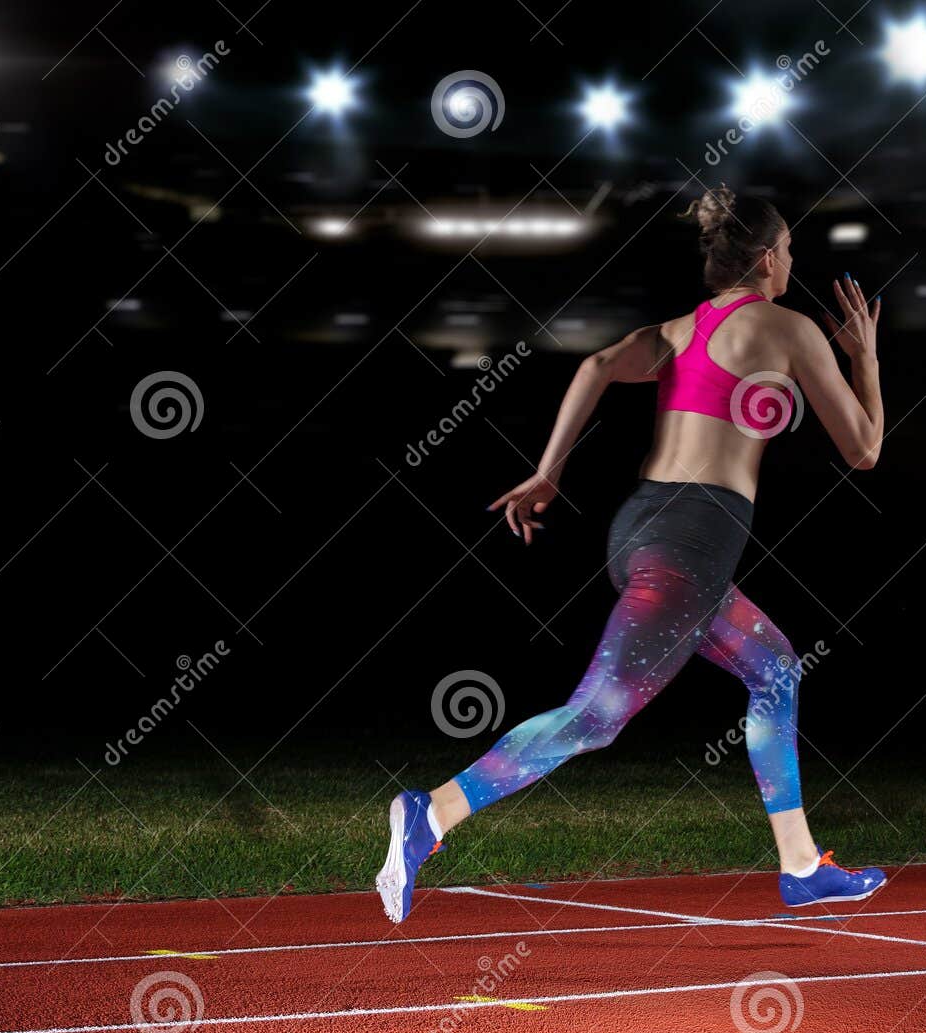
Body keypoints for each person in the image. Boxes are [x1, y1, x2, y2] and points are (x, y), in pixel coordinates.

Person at [378, 184, 887, 924]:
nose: (792, 263)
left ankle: (801, 864)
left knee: (774, 670)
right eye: (791, 252)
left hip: (646, 532)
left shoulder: (680, 330)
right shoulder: (790, 328)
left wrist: (551, 468)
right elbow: (865, 449)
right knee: (597, 716)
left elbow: (594, 368)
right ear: (771, 258)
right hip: (687, 551)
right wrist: (865, 359)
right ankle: (433, 812)